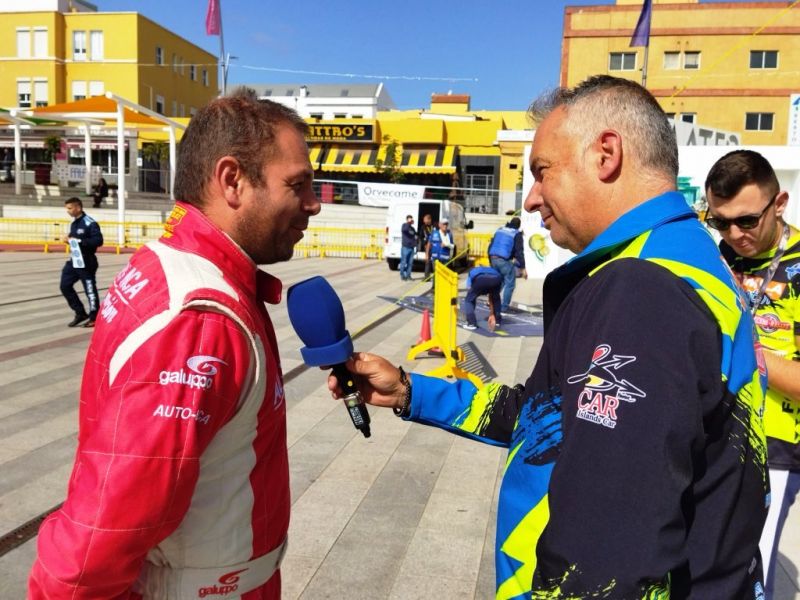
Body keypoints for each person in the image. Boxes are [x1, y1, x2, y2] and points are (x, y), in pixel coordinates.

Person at [329, 75, 767, 598]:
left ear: (606, 154)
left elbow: (606, 559)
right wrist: (410, 391)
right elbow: (551, 416)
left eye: (542, 172)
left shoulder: (639, 292)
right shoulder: (682, 255)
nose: (533, 198)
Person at [29, 90, 320, 599]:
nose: (314, 204)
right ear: (232, 181)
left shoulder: (167, 262)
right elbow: (99, 538)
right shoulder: (200, 319)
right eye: (297, 185)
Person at [704, 149, 800, 600]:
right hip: (707, 429)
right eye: (720, 222)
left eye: (746, 221)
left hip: (775, 447)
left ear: (778, 203)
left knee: (749, 567)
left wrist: (746, 352)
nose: (734, 234)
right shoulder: (713, 257)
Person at [60, 196, 103, 328]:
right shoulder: (74, 223)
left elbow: (98, 241)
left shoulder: (90, 223)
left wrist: (78, 241)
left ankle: (94, 316)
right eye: (67, 208)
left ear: (78, 208)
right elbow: (74, 239)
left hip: (87, 261)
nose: (68, 211)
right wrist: (68, 239)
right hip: (74, 260)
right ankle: (80, 313)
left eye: (70, 208)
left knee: (89, 289)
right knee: (65, 286)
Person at [488, 216, 527, 312]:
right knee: (510, 283)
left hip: (493, 257)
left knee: (500, 281)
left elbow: (491, 245)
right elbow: (519, 252)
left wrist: (490, 260)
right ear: (518, 226)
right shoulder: (516, 234)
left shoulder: (500, 230)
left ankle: (491, 301)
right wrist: (523, 267)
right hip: (503, 260)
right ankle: (504, 307)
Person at [462, 264, 502, 331]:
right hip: (496, 279)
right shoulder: (492, 269)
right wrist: (492, 313)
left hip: (480, 280)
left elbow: (468, 287)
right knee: (496, 299)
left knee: (469, 300)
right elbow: (492, 295)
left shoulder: (473, 270)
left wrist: (474, 294)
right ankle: (497, 320)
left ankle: (471, 323)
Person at [399, 213, 417, 281]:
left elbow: (415, 236)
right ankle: (402, 275)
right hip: (405, 247)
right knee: (404, 262)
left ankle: (408, 275)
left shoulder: (412, 228)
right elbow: (404, 230)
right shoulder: (404, 226)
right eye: (410, 219)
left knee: (410, 263)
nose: (411, 220)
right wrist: (408, 223)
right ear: (407, 220)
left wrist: (415, 245)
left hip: (411, 248)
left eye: (411, 219)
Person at [419, 213, 434, 280]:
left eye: (425, 219)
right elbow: (421, 237)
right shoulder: (423, 227)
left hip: (434, 247)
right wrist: (424, 244)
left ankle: (436, 276)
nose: (424, 221)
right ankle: (427, 277)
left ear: (429, 219)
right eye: (424, 220)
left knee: (434, 262)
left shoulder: (434, 226)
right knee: (427, 261)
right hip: (427, 246)